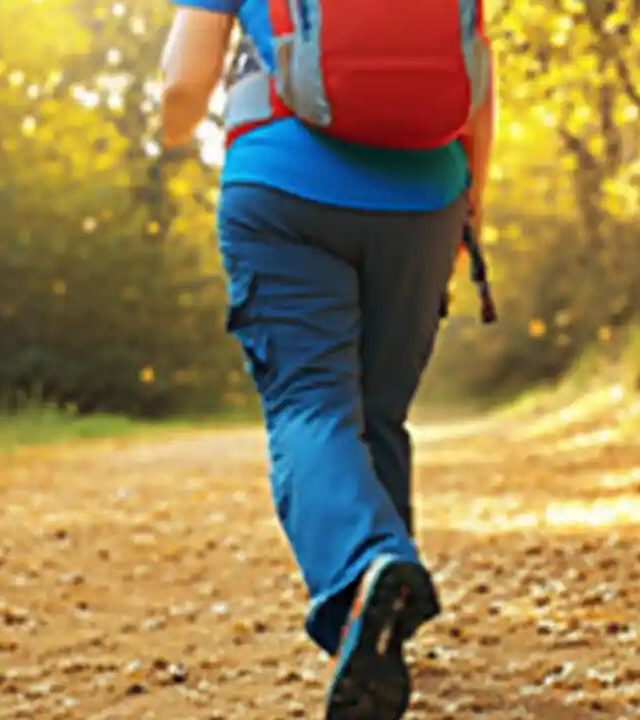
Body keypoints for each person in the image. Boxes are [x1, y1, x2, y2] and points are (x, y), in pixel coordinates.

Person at [159, 1, 495, 717]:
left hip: (281, 188)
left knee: (310, 404)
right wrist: (472, 207)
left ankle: (363, 571)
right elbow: (478, 77)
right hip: (426, 194)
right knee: (378, 413)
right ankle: (383, 625)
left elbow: (186, 82)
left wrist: (166, 132)